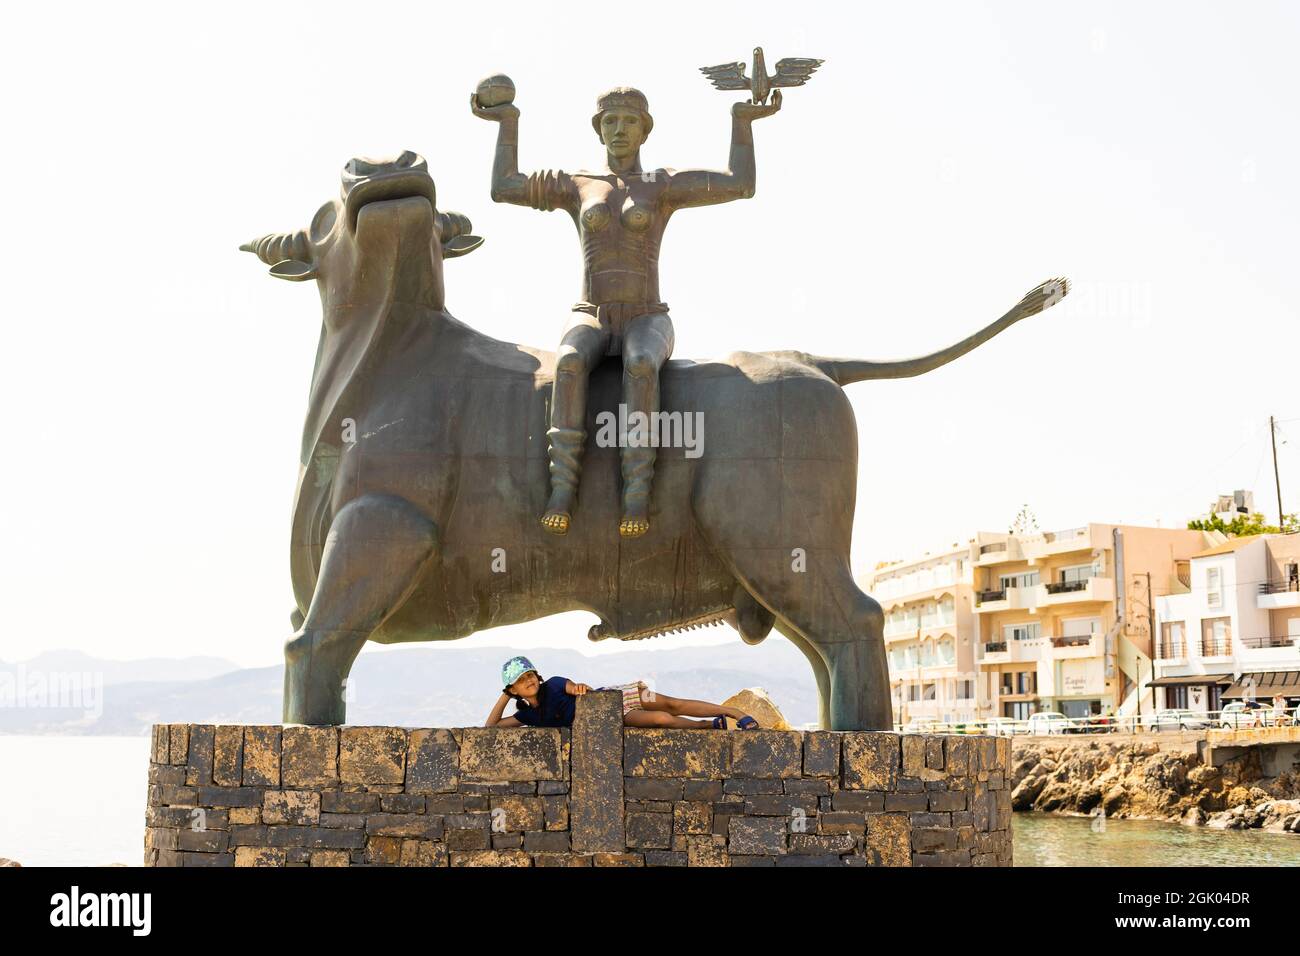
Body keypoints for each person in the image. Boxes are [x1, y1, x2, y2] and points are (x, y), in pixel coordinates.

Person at [471, 85, 780, 538]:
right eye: (610, 122)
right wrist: (507, 122)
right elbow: (505, 187)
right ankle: (563, 486)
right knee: (570, 361)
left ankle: (637, 490)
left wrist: (742, 121)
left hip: (647, 317)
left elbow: (739, 184)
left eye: (629, 121)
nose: (619, 130)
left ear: (644, 131)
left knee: (640, 363)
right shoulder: (578, 185)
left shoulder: (662, 185)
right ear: (599, 131)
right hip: (592, 314)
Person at [484, 655, 759, 729]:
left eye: (530, 674)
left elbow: (578, 688)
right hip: (608, 721)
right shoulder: (529, 717)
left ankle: (732, 711)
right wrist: (505, 695)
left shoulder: (554, 683)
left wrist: (580, 689)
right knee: (661, 721)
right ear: (515, 689)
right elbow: (491, 726)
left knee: (671, 704)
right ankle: (711, 726)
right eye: (521, 680)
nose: (529, 680)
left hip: (616, 697)